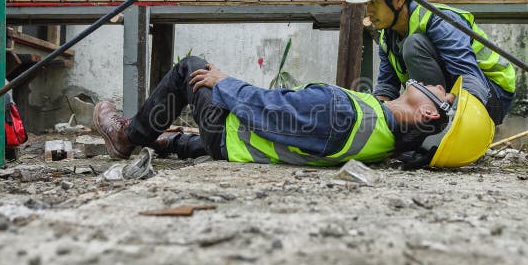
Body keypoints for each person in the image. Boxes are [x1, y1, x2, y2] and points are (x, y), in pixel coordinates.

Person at [93, 55, 495, 170]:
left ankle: (129, 136)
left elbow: (272, 111)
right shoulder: (383, 144)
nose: (441, 86)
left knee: (191, 70)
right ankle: (170, 142)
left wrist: (225, 83)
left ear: (428, 116)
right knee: (199, 131)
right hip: (240, 149)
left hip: (229, 135)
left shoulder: (346, 113)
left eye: (445, 96)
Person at [346, 0, 516, 125]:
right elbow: (386, 89)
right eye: (367, 4)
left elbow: (470, 79)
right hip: (454, 96)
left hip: (491, 95)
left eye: (373, 2)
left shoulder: (438, 20)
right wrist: (372, 116)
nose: (369, 11)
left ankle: (439, 126)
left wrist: (458, 127)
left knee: (414, 45)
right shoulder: (387, 39)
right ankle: (434, 124)